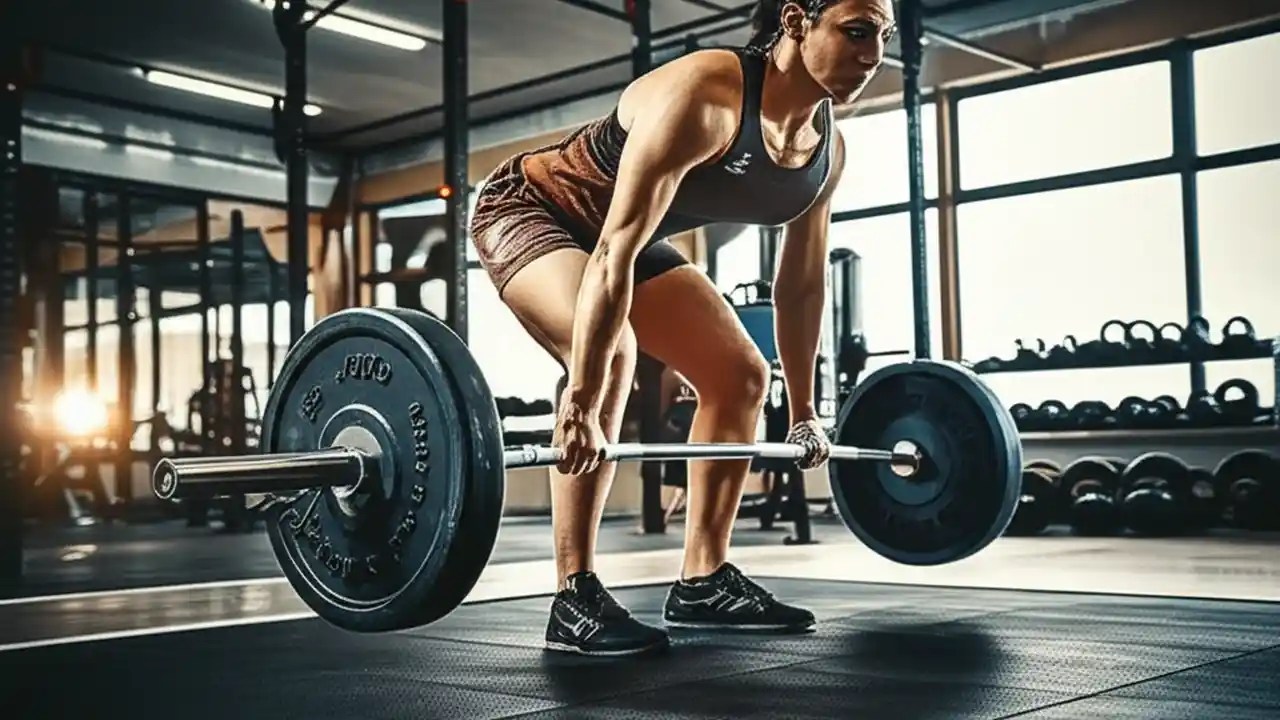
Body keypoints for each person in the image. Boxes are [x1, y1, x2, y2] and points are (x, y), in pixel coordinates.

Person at [470, 0, 897, 656]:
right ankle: (572, 596)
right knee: (611, 357)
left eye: (883, 37)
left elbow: (802, 285)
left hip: (623, 240)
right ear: (795, 20)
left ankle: (702, 580)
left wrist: (807, 413)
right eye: (857, 31)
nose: (873, 57)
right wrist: (579, 402)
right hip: (537, 209)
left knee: (740, 375)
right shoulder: (704, 95)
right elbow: (614, 248)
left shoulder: (826, 151)